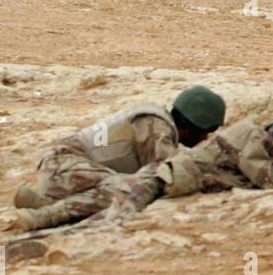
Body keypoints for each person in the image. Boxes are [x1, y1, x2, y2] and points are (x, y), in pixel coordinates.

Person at [13, 86, 226, 230]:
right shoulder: (156, 127)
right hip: (65, 166)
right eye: (207, 131)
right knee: (128, 189)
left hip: (64, 169)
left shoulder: (156, 119)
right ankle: (46, 214)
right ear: (195, 124)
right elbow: (168, 171)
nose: (205, 137)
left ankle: (45, 200)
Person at [91, 115, 273, 224]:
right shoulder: (253, 141)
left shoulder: (250, 138)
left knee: (94, 212)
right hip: (156, 180)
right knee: (112, 219)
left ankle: (53, 233)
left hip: (162, 180)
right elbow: (269, 178)